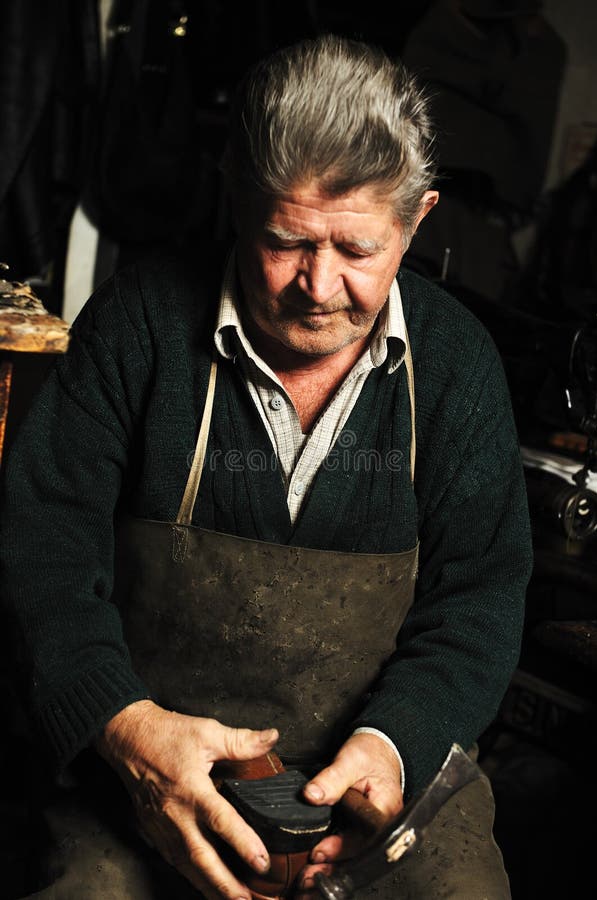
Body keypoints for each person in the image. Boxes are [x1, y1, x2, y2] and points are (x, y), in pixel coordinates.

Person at [0, 33, 532, 900]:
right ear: (235, 202)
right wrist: (122, 726)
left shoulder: (456, 366)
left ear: (418, 219)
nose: (317, 286)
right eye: (286, 240)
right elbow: (39, 553)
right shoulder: (137, 325)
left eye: (356, 251)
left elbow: (479, 597)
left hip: (379, 783)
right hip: (147, 773)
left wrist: (399, 740)